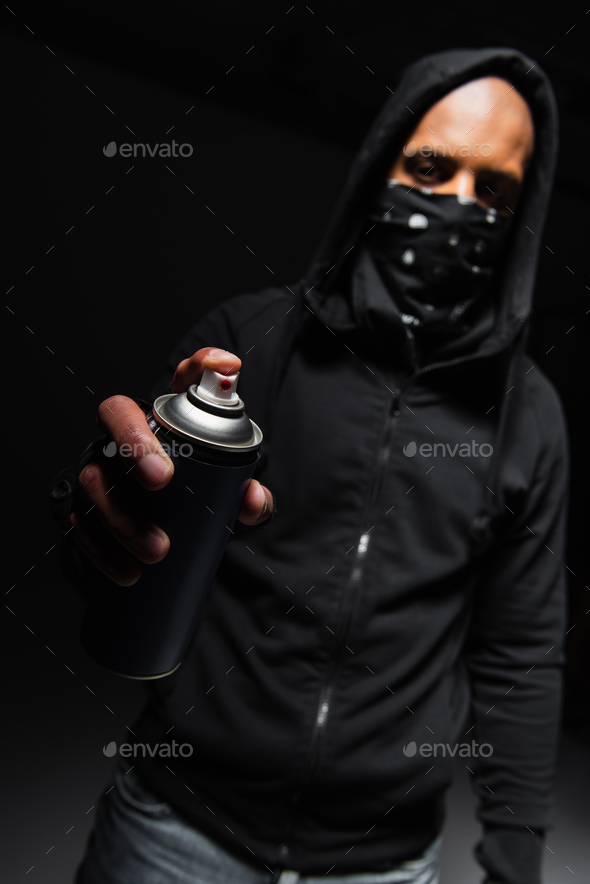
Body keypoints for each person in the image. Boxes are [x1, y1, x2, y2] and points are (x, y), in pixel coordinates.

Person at [49, 47, 568, 884]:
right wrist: (102, 513)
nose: (459, 206)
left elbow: (523, 649)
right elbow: (120, 552)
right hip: (175, 829)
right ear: (378, 168)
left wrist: (516, 861)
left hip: (384, 862)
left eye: (495, 190)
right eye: (431, 168)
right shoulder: (242, 346)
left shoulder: (531, 417)